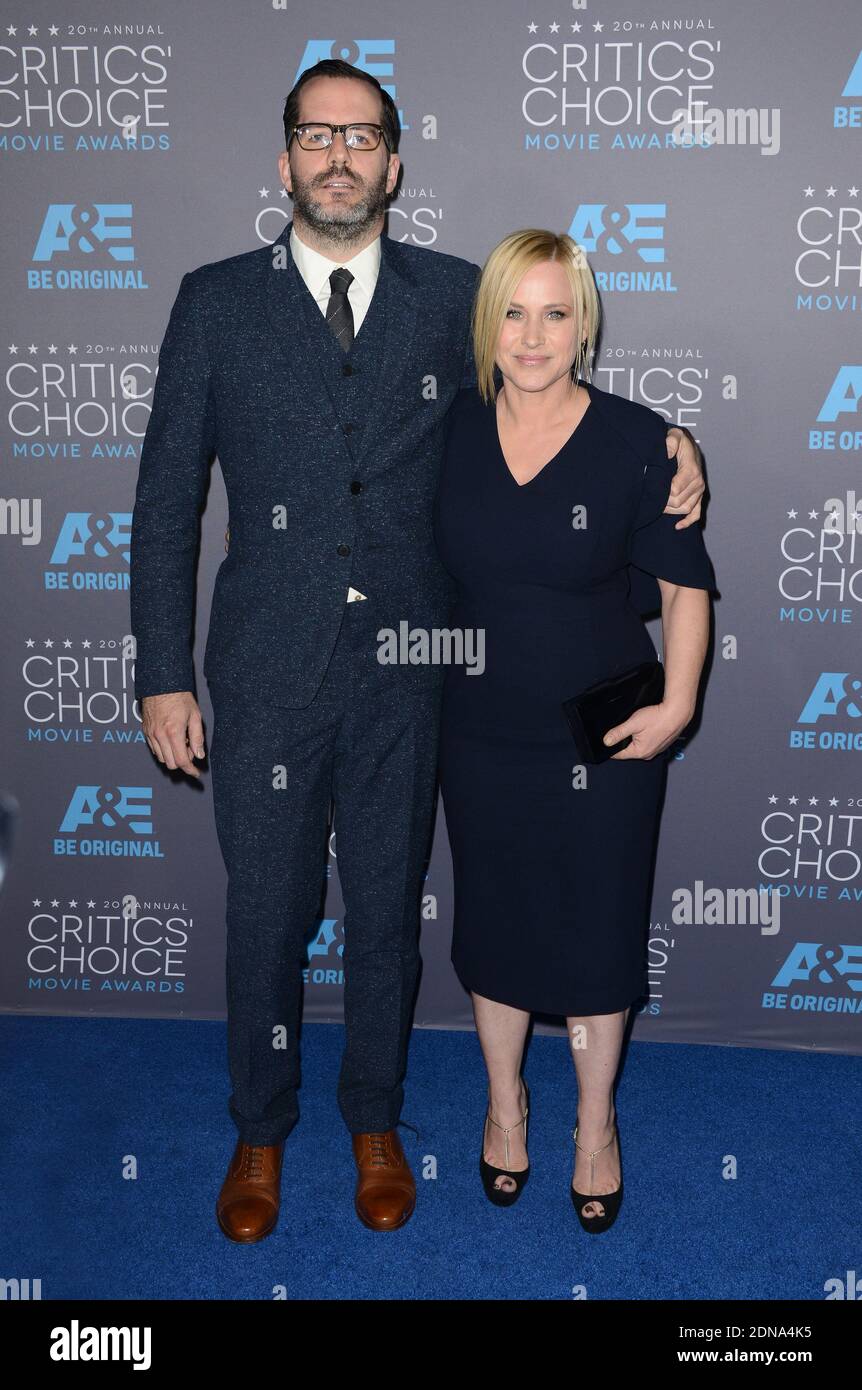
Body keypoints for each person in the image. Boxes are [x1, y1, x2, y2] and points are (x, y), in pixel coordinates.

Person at [129, 60, 706, 1243]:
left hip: (416, 666)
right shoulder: (213, 301)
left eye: (363, 136)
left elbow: (558, 383)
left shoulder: (458, 295)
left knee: (390, 907)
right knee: (271, 912)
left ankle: (376, 1119)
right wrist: (161, 668)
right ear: (283, 158)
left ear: (396, 162)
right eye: (315, 134)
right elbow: (162, 502)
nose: (338, 156)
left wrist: (675, 441)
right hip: (265, 667)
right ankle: (259, 1125)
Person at [433, 229, 716, 1232]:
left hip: (606, 735)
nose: (532, 333)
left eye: (555, 311)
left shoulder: (641, 441)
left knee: (597, 938)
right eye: (513, 310)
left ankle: (594, 1125)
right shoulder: (446, 430)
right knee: (496, 923)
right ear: (488, 321)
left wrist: (677, 705)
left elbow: (684, 591)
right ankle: (504, 1106)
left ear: (583, 322)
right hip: (475, 731)